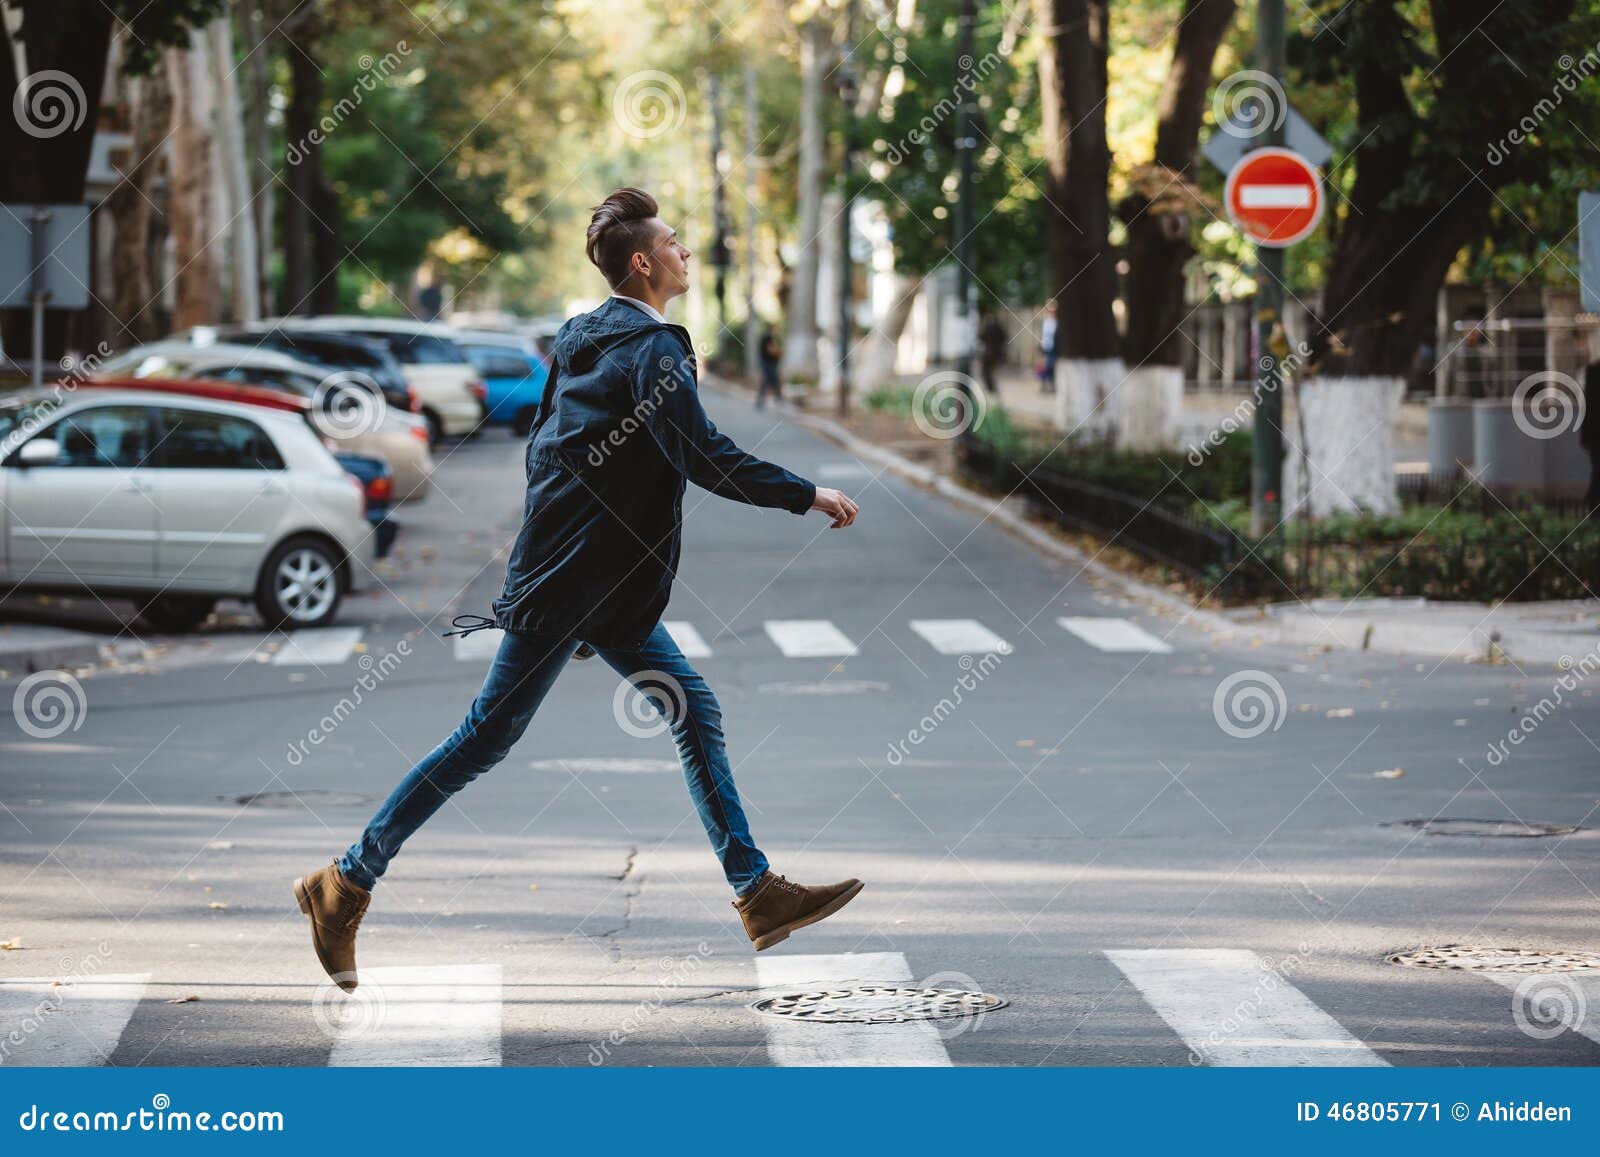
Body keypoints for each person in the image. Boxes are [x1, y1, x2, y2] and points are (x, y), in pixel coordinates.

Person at [294, 188, 865, 992]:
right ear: (643, 261)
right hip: (574, 585)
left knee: (692, 708)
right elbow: (703, 455)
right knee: (486, 737)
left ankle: (756, 892)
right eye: (674, 242)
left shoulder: (580, 335)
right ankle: (344, 882)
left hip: (593, 582)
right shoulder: (652, 351)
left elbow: (544, 454)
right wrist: (807, 494)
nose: (685, 252)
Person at [978, 310, 1006, 394]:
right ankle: (992, 387)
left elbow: (981, 337)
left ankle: (990, 387)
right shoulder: (999, 327)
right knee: (992, 371)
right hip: (996, 353)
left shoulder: (986, 327)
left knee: (985, 371)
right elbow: (1004, 337)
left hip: (988, 353)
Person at [756, 326, 782, 410]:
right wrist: (779, 351)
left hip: (770, 363)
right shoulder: (767, 338)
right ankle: (763, 399)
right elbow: (771, 350)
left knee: (773, 380)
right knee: (769, 380)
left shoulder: (768, 338)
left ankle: (778, 398)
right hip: (768, 363)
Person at [1037, 300, 1058, 394]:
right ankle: (1044, 384)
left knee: (1051, 366)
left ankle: (1051, 385)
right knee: (1043, 366)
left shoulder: (1056, 321)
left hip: (1053, 348)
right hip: (1045, 347)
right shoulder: (1045, 321)